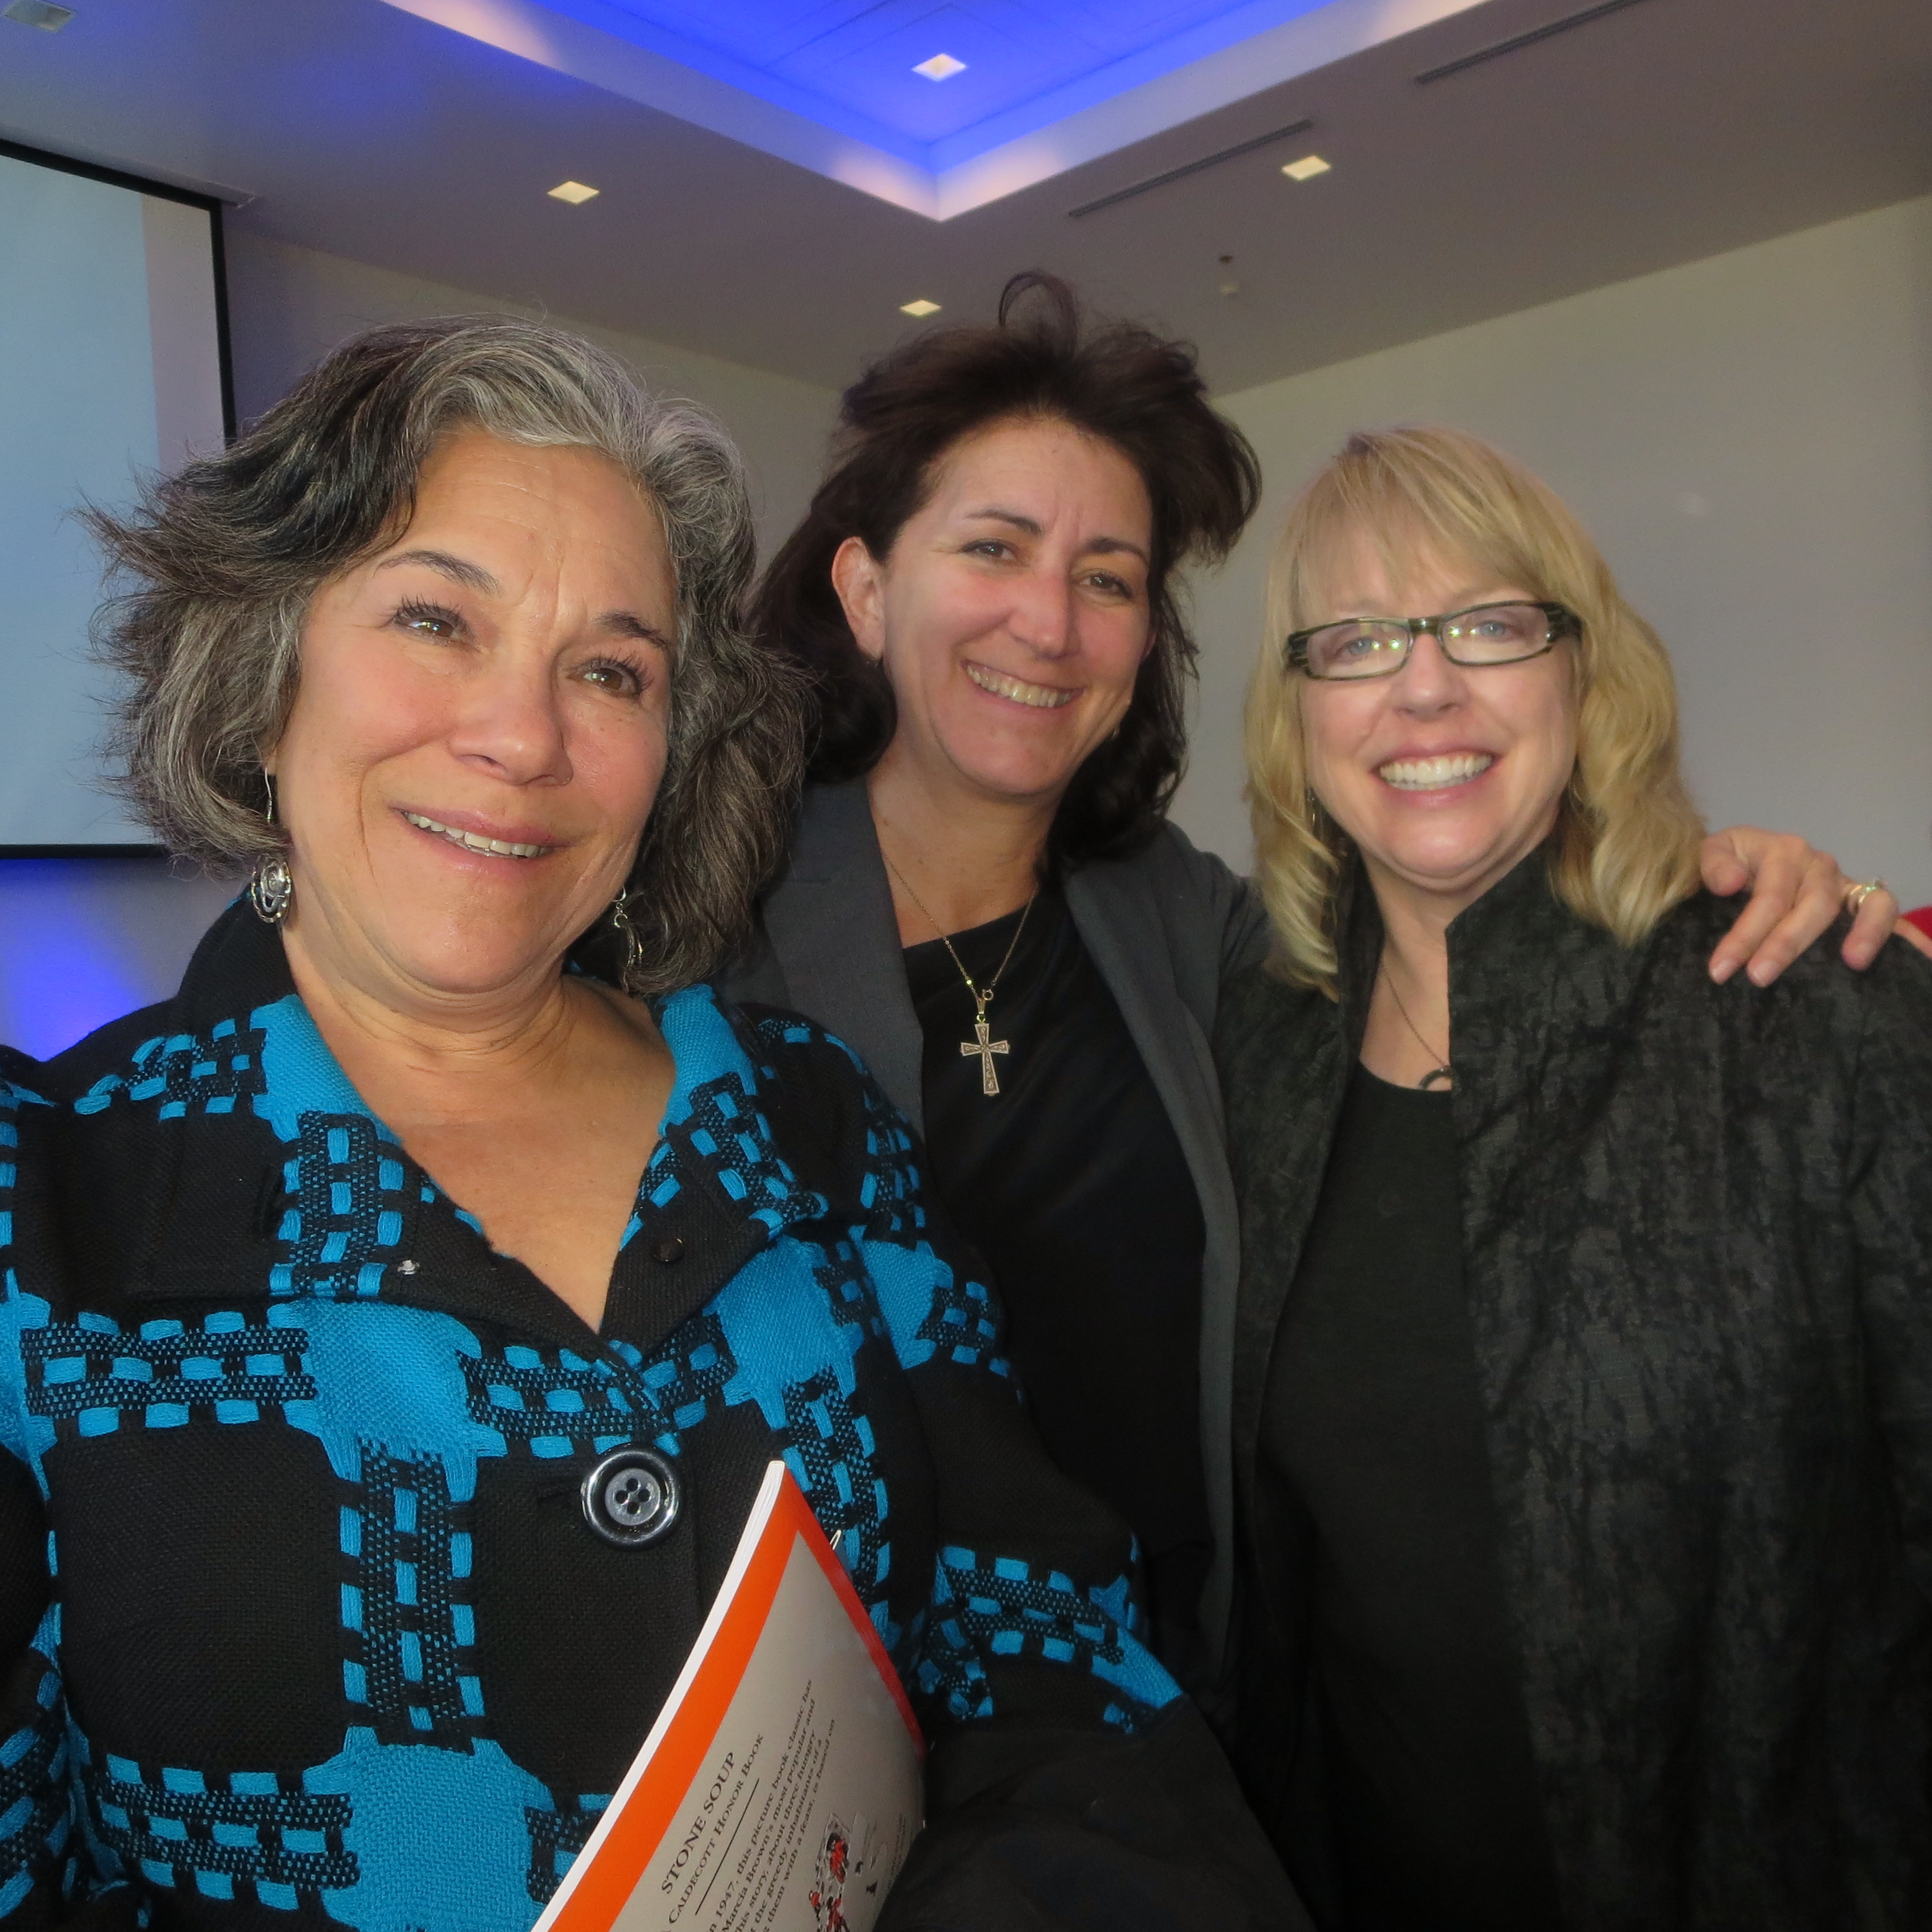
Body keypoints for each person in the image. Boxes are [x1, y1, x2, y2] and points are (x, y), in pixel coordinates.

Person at [0, 317, 1303, 1931]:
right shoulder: (46, 1195)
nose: (524, 735)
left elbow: (1038, 1634)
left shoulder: (804, 1113)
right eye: (435, 619)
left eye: (610, 669)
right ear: (263, 673)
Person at [730, 272, 1904, 1695]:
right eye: (994, 548)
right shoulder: (711, 930)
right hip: (864, 1710)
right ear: (865, 589)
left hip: (1193, 1701)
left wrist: (1741, 875)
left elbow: (1464, 933)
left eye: (1107, 577)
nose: (1048, 622)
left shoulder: (1184, 925)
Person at [1218, 425, 1932, 1930]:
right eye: (1355, 640)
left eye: (1488, 624)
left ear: (1583, 674)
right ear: (1297, 717)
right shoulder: (1256, 1046)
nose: (1423, 687)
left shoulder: (1816, 1015)